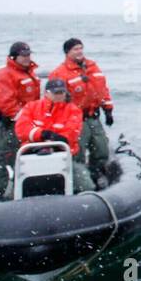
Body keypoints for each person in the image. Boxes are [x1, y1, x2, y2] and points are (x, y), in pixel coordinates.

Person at [48, 37, 114, 185]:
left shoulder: (93, 67)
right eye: (75, 49)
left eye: (81, 48)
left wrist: (108, 110)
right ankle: (79, 182)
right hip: (75, 119)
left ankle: (96, 174)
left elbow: (103, 89)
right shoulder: (60, 73)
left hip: (93, 116)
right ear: (67, 52)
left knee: (101, 149)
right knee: (77, 152)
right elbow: (54, 101)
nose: (79, 52)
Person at [12, 77, 92, 194]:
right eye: (56, 93)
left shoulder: (73, 110)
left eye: (62, 92)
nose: (59, 95)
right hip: (32, 154)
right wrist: (43, 134)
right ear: (46, 93)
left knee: (86, 185)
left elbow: (71, 133)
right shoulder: (31, 107)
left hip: (63, 155)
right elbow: (22, 129)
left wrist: (54, 140)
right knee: (13, 189)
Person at [0, 41, 40, 198]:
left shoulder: (28, 73)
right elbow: (7, 104)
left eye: (28, 54)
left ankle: (26, 190)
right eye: (23, 55)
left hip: (26, 123)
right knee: (7, 161)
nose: (27, 58)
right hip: (8, 126)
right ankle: (2, 196)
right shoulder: (3, 75)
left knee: (26, 157)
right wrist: (25, 120)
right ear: (13, 56)